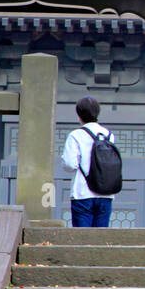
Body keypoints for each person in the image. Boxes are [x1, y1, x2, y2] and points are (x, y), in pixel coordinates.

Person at [61, 96, 117, 227]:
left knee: (82, 239)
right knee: (100, 238)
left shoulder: (76, 135)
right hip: (106, 193)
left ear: (79, 114)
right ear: (97, 113)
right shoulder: (109, 135)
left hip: (82, 192)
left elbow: (70, 165)